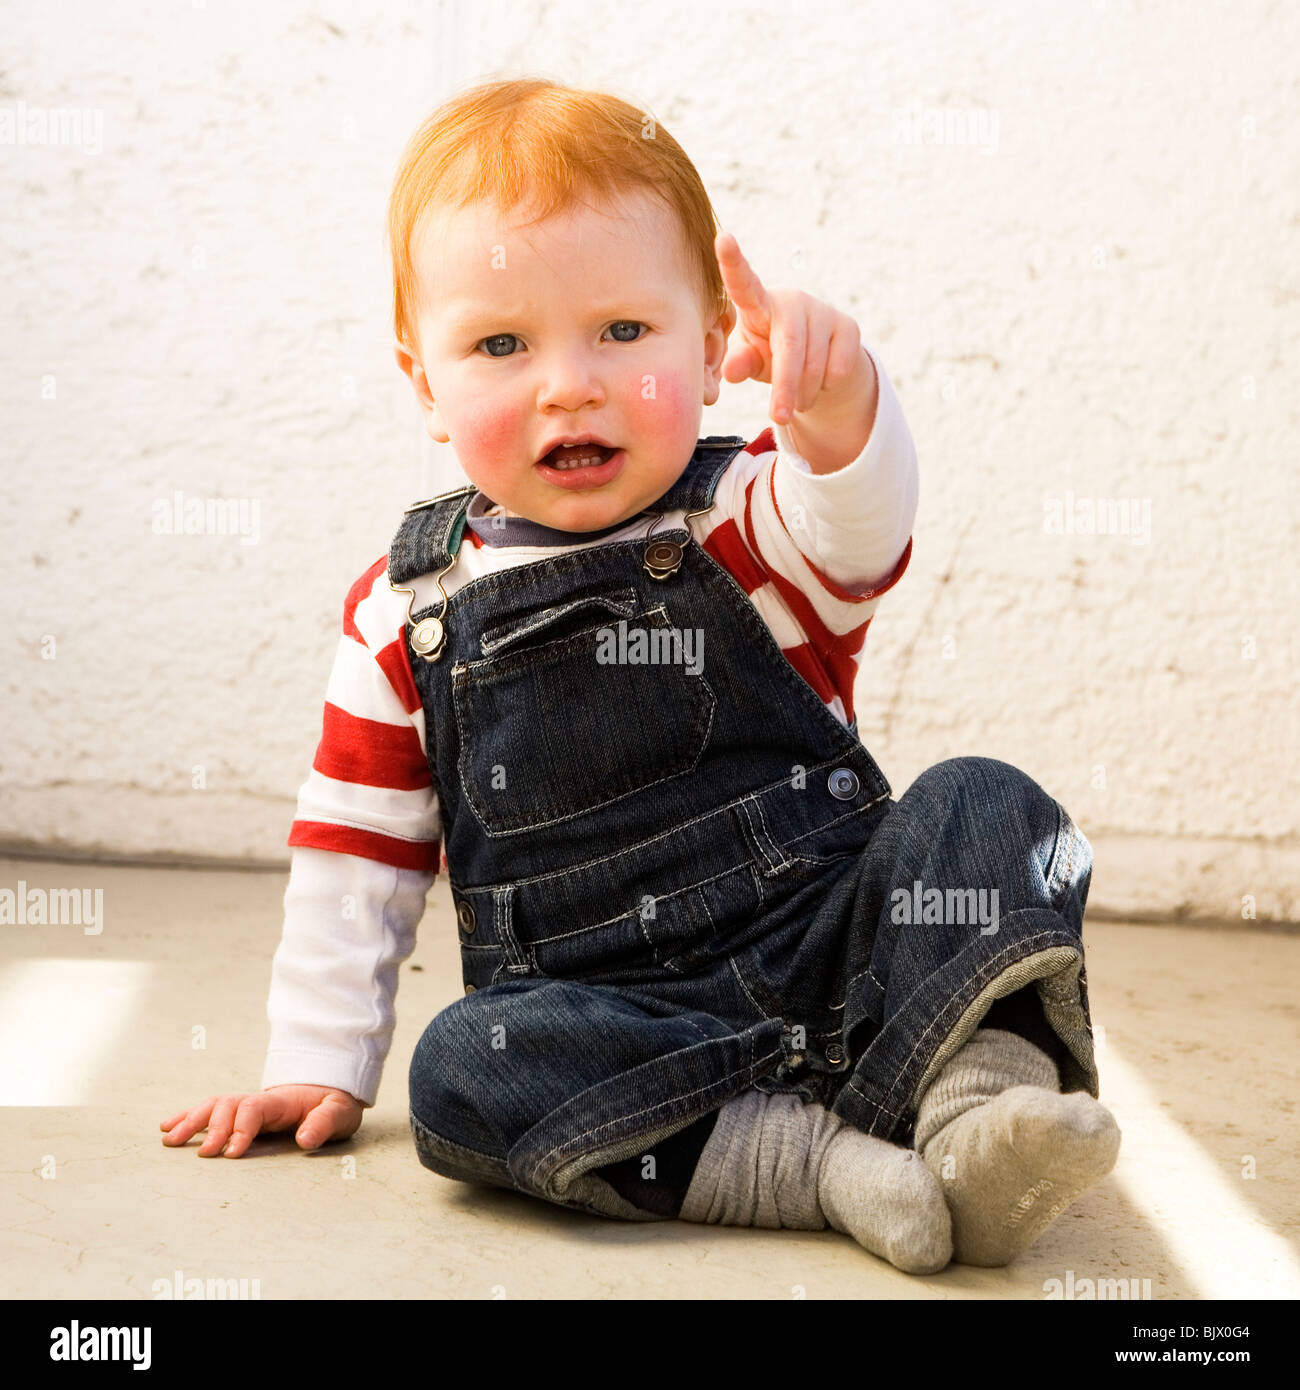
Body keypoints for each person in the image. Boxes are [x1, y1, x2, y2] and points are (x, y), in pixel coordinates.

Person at [161, 77, 1120, 1273]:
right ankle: (808, 1167)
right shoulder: (405, 612)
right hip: (623, 1029)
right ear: (424, 382)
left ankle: (979, 1109)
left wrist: (838, 408)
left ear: (712, 347)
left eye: (623, 332)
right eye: (501, 344)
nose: (571, 381)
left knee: (989, 807)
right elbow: (355, 853)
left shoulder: (741, 518)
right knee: (463, 1069)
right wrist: (312, 1058)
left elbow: (860, 534)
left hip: (841, 949)